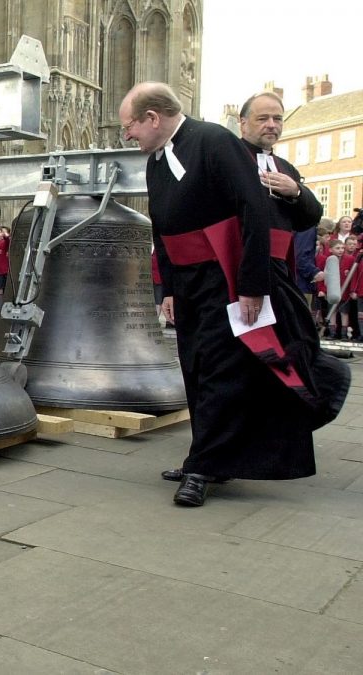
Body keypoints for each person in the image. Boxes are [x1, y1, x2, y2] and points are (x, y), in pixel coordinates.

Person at [119, 82, 349, 507]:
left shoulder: (212, 140)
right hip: (189, 284)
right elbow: (163, 229)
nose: (127, 135)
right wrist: (168, 288)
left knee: (224, 371)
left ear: (153, 118)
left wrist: (252, 285)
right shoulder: (155, 161)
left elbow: (253, 211)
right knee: (196, 366)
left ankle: (204, 467)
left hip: (225, 278)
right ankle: (207, 456)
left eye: (129, 126)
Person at [235, 91, 324, 310]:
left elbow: (309, 218)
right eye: (263, 118)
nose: (272, 125)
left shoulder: (286, 167)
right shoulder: (229, 159)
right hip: (237, 266)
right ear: (243, 123)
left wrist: (296, 191)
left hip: (279, 268)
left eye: (277, 119)